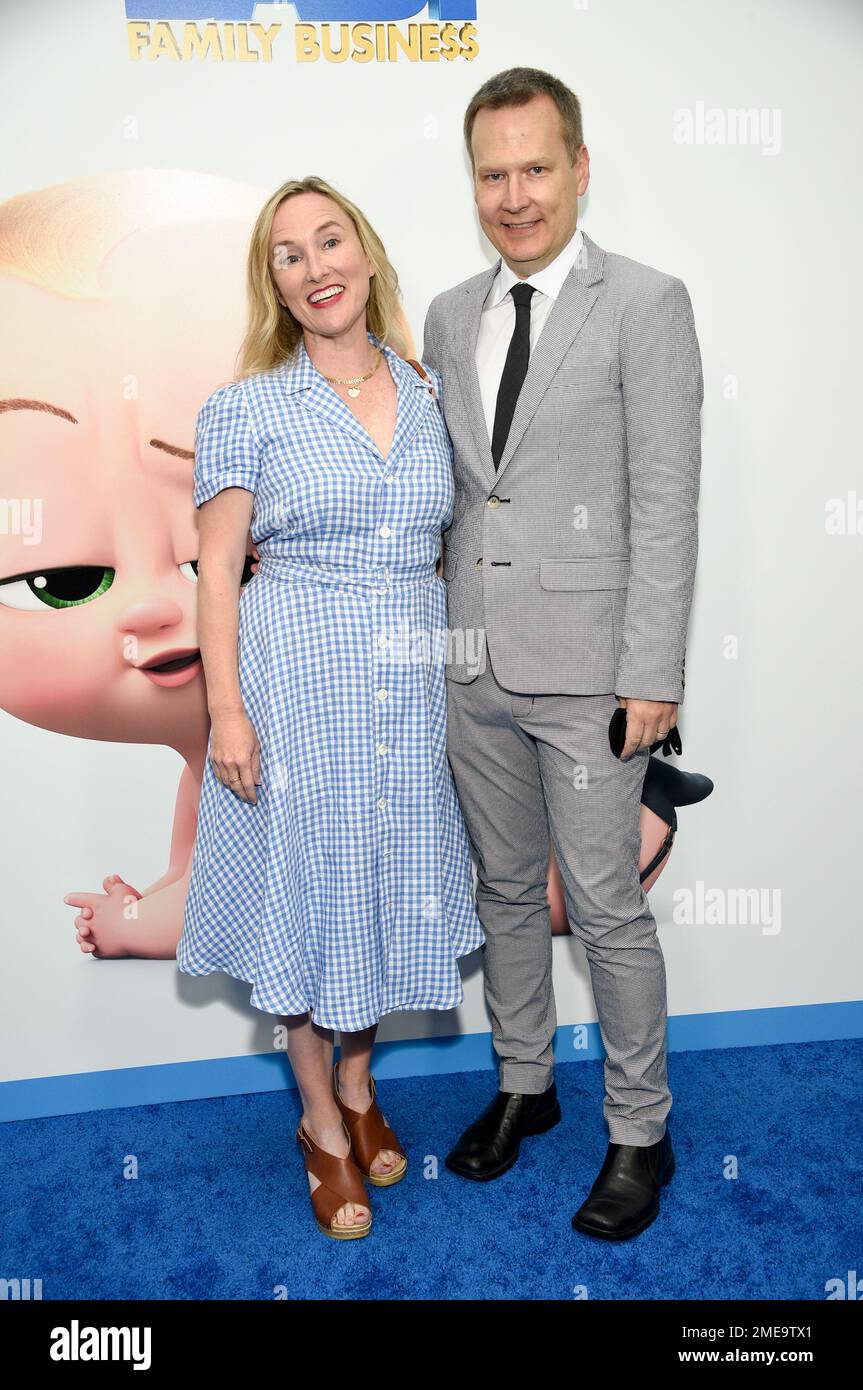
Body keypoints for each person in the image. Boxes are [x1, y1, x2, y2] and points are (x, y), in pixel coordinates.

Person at [422, 67, 704, 1240]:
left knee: (602, 909)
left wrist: (653, 670)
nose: (514, 193)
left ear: (579, 168)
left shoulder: (643, 300)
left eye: (535, 168)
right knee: (501, 893)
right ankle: (524, 1086)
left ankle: (640, 1130)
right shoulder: (445, 314)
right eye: (493, 173)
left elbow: (666, 501)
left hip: (593, 670)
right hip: (468, 660)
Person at [177, 175, 484, 1241]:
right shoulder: (247, 404)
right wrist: (225, 712)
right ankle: (318, 1121)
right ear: (272, 282)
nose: (315, 269)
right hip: (294, 683)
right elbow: (217, 572)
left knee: (383, 887)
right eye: (288, 255)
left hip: (410, 687)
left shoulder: (435, 388)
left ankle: (359, 1087)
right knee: (305, 898)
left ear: (366, 250)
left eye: (329, 241)